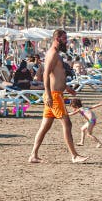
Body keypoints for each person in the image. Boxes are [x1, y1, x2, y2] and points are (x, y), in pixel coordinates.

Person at [29, 29, 87, 164]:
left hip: (55, 94)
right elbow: (45, 74)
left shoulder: (57, 54)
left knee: (44, 127)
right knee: (67, 123)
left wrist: (67, 88)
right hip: (54, 96)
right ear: (57, 38)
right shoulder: (53, 53)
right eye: (64, 38)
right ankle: (74, 156)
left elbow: (57, 75)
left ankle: (33, 155)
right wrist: (49, 95)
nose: (66, 41)